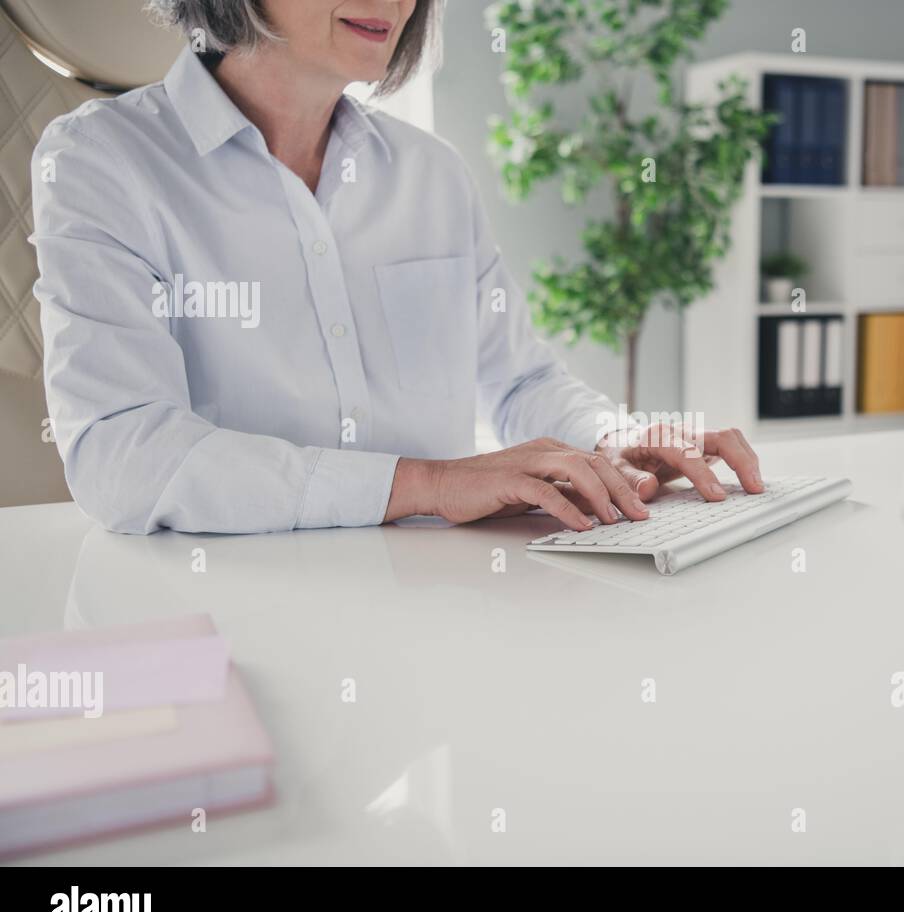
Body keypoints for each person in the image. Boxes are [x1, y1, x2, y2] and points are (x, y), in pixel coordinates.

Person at [32, 0, 764, 535]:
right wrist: (424, 485)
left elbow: (520, 381)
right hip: (238, 619)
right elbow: (123, 454)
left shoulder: (431, 175)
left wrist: (609, 437)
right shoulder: (102, 161)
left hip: (437, 606)